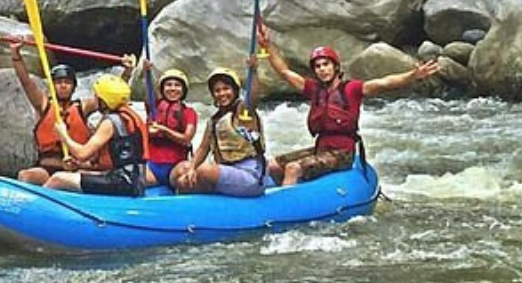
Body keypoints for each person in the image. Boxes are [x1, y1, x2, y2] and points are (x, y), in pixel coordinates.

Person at [260, 28, 441, 185]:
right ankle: (283, 193)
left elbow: (385, 83)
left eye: (326, 64)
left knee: (293, 168)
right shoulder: (313, 89)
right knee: (273, 165)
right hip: (320, 148)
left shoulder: (352, 89)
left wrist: (413, 75)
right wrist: (268, 47)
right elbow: (284, 71)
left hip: (343, 153)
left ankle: (289, 202)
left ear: (336, 67)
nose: (322, 69)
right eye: (318, 66)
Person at [9, 41, 135, 184]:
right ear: (52, 86)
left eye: (67, 82)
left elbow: (110, 95)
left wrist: (127, 72)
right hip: (46, 168)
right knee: (26, 176)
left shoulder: (83, 107)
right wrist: (16, 56)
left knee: (85, 177)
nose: (63, 86)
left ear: (74, 87)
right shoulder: (43, 105)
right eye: (59, 82)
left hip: (74, 168)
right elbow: (26, 82)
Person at [43, 74, 149, 196]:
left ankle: (36, 209)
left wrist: (64, 135)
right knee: (78, 172)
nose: (94, 99)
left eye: (96, 96)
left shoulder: (110, 123)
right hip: (133, 179)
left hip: (124, 182)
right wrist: (79, 165)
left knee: (58, 179)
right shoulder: (129, 117)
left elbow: (82, 154)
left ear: (104, 101)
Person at [170, 68, 269, 197]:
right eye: (217, 90)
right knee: (180, 170)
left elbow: (253, 97)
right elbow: (203, 148)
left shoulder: (243, 111)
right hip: (228, 172)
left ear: (235, 90)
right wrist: (192, 168)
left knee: (203, 171)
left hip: (252, 175)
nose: (222, 93)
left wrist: (253, 71)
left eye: (226, 88)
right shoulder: (213, 121)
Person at [142, 67, 197, 188]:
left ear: (183, 90)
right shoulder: (154, 106)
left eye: (177, 85)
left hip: (175, 167)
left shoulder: (189, 112)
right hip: (151, 166)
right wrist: (147, 72)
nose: (173, 88)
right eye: (168, 85)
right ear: (162, 89)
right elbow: (149, 90)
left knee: (188, 169)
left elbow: (186, 138)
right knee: (131, 175)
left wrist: (164, 130)